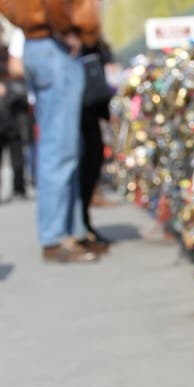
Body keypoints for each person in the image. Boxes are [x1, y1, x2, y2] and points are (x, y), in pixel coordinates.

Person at [0, 0, 103, 262]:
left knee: (64, 148)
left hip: (40, 43)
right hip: (53, 46)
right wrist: (66, 31)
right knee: (59, 149)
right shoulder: (56, 35)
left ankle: (72, 231)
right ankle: (56, 237)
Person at [79, 38, 113, 245]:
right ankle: (79, 227)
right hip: (80, 107)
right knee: (81, 166)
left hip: (91, 106)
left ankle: (82, 225)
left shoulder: (91, 42)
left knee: (93, 159)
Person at [0, 26, 27, 199]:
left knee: (17, 150)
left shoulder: (10, 53)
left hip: (13, 108)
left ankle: (19, 187)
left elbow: (18, 73)